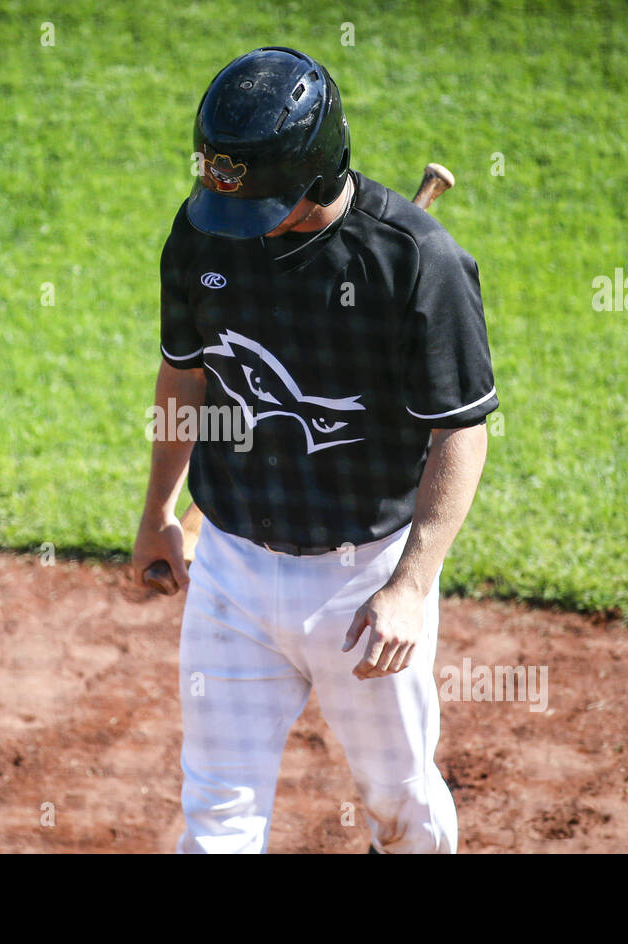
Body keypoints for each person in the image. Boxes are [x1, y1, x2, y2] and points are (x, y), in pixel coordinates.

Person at [132, 46, 498, 854]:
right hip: (229, 568)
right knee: (215, 815)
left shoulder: (417, 262)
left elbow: (460, 431)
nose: (240, 220)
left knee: (401, 804)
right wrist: (161, 508)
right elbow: (183, 376)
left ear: (318, 171)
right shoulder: (204, 233)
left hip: (362, 585)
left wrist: (411, 584)